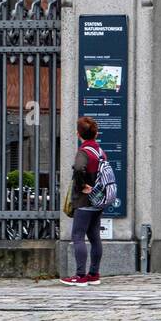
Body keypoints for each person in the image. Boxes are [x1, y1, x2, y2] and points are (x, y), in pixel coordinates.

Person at [61, 115, 105, 286]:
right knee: (94, 236)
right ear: (95, 133)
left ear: (78, 134)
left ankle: (80, 276)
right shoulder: (100, 151)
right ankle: (94, 274)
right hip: (98, 199)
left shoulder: (84, 152)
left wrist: (81, 185)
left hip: (85, 200)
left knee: (78, 236)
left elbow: (79, 168)